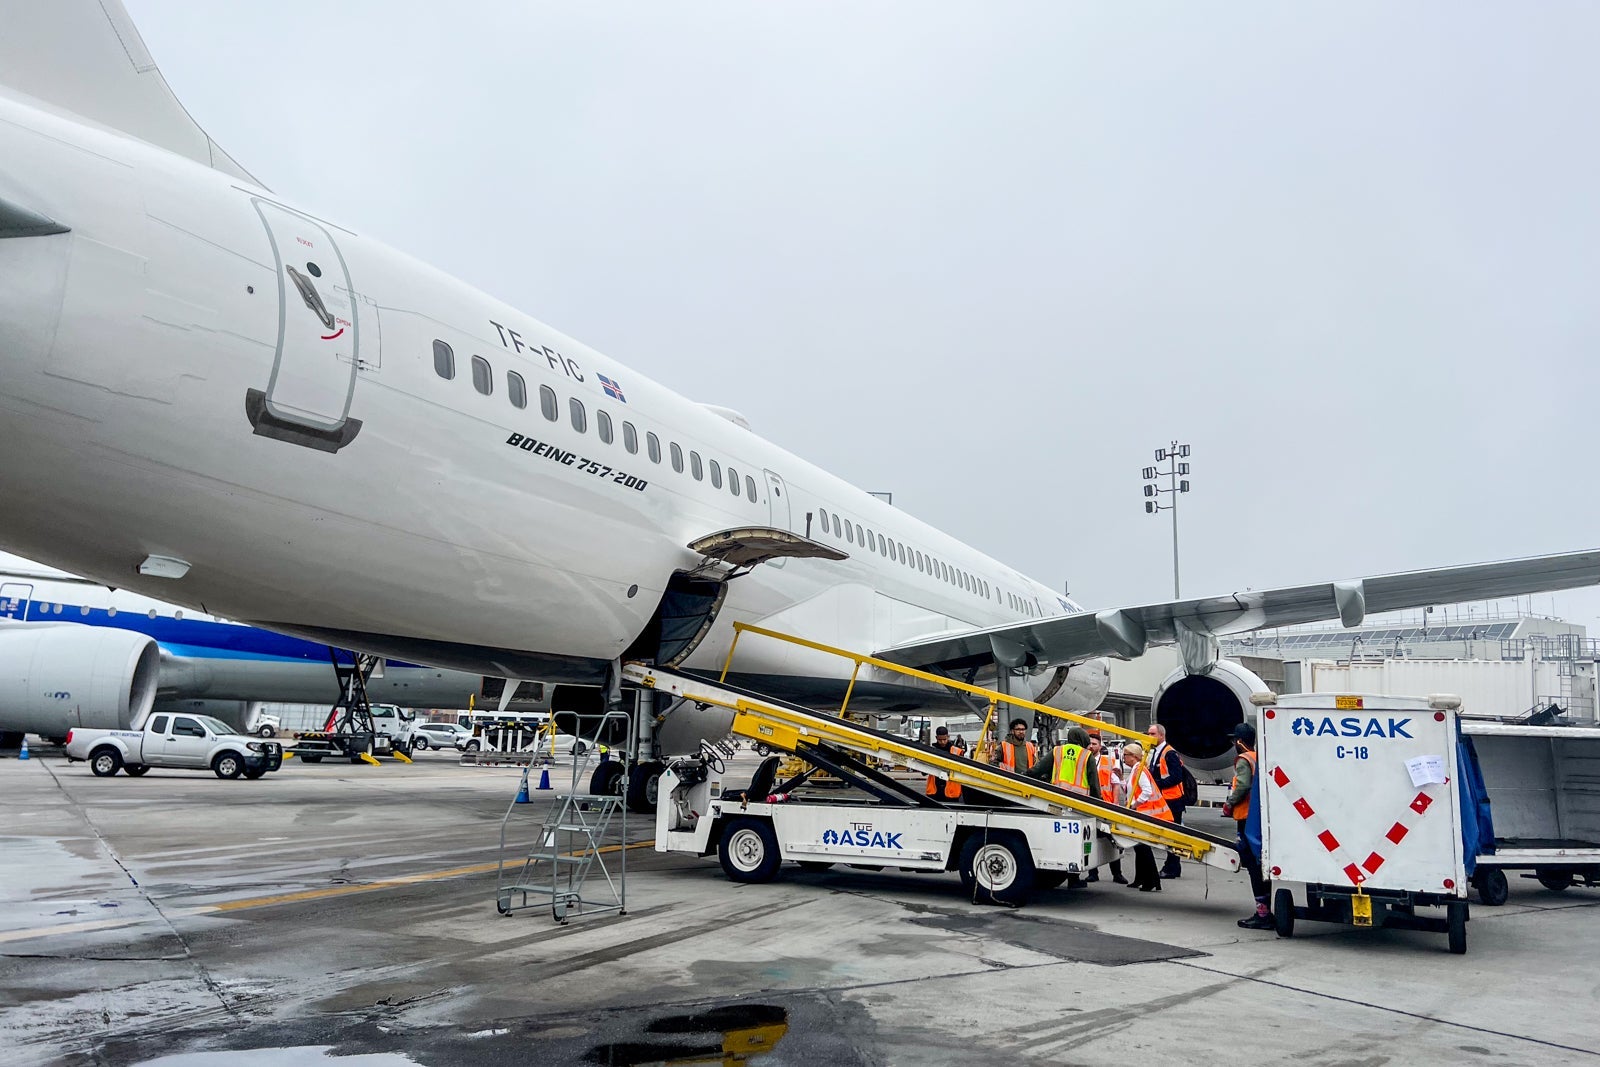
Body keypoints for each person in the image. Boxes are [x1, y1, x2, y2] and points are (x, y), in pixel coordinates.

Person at [1225, 722, 1273, 929]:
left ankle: (1262, 914)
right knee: (1261, 865)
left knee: (1252, 865)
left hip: (1245, 818)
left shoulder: (1244, 760)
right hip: (1257, 817)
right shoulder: (1257, 757)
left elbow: (1243, 785)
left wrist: (1229, 803)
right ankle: (1267, 909)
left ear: (1239, 741)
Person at [1120, 740, 1173, 891]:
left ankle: (1150, 881)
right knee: (1139, 848)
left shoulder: (1139, 771)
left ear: (1134, 756)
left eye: (1126, 755)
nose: (1123, 758)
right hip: (1143, 813)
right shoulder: (1137, 770)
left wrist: (1134, 805)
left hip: (1144, 814)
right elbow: (1133, 789)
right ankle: (1142, 879)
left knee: (1143, 848)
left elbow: (1146, 791)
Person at [1146, 723, 1187, 879]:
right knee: (1170, 835)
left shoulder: (1169, 753)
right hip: (1166, 800)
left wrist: (1156, 783)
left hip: (1173, 800)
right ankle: (1173, 867)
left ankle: (1171, 867)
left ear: (1161, 736)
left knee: (1172, 836)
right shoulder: (1157, 752)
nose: (1149, 737)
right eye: (1148, 733)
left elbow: (1177, 777)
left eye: (1152, 734)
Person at [1087, 731, 1126, 884]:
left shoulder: (1108, 761)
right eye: (1089, 744)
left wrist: (1115, 803)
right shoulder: (1084, 760)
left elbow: (1115, 784)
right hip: (1090, 805)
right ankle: (1093, 873)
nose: (1091, 746)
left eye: (1094, 744)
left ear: (1100, 746)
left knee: (1113, 839)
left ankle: (1117, 873)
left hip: (1106, 805)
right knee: (1090, 838)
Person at [925, 725, 965, 800]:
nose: (942, 742)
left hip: (951, 792)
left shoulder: (956, 751)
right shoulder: (931, 751)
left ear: (948, 737)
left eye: (944, 739)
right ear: (936, 738)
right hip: (935, 791)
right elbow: (924, 771)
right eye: (940, 740)